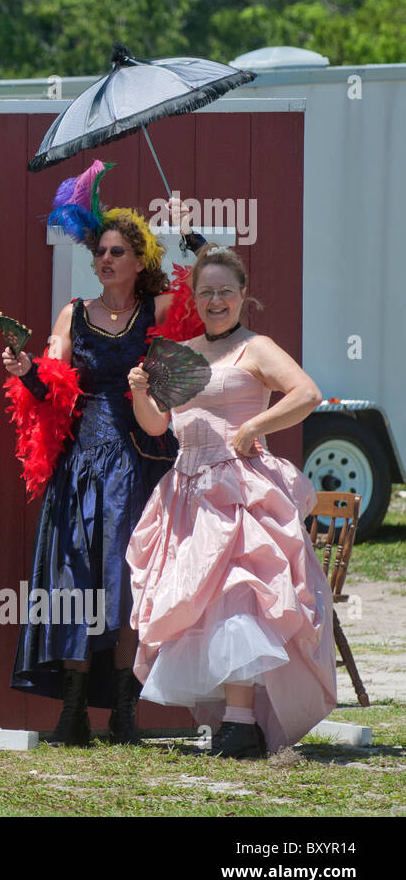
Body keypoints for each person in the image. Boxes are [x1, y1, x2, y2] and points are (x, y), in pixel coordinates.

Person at [2, 163, 207, 746]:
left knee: (127, 582)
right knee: (75, 582)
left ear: (140, 260)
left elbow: (213, 292)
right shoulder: (73, 313)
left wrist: (189, 235)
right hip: (82, 464)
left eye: (118, 251)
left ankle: (124, 711)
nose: (106, 259)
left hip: (142, 459)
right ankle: (71, 712)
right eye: (100, 251)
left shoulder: (160, 311)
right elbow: (50, 379)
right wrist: (27, 374)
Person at [126, 245, 336, 757]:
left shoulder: (256, 347)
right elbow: (157, 424)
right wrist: (138, 391)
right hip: (188, 489)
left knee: (241, 591)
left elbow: (306, 393)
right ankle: (229, 720)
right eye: (206, 292)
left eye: (225, 291)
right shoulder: (183, 352)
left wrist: (256, 426)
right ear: (194, 299)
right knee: (201, 602)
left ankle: (242, 723)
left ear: (243, 296)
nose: (215, 300)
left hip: (240, 486)